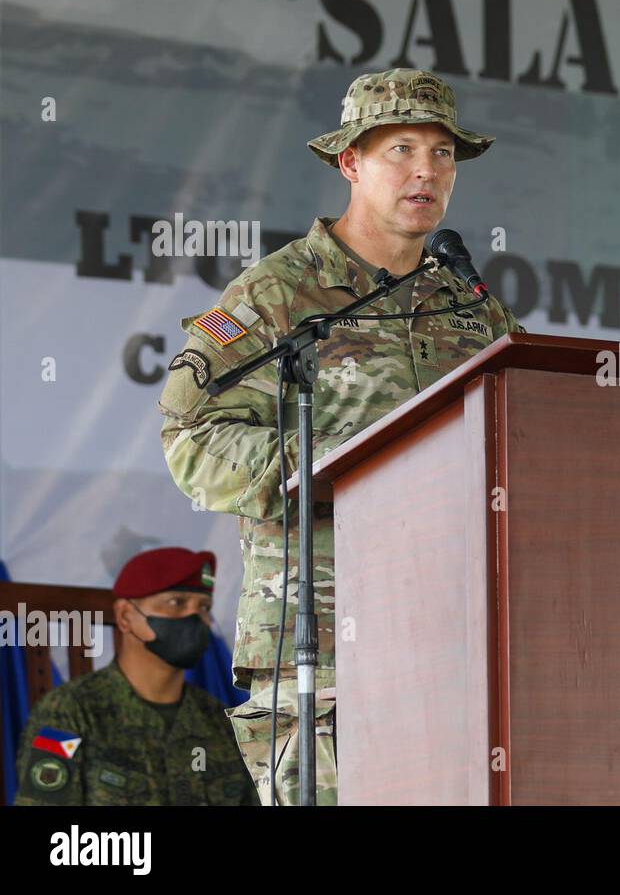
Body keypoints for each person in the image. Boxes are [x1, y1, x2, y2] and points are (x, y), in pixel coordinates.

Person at [157, 68, 525, 805]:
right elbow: (191, 437)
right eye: (402, 149)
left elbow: (530, 426)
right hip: (322, 643)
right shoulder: (276, 295)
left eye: (444, 153)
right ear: (349, 162)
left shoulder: (472, 307)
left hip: (454, 630)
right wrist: (329, 465)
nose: (427, 171)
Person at [14, 547, 256, 805]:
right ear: (126, 616)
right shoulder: (69, 712)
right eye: (176, 603)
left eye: (204, 607)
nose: (196, 618)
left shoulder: (222, 722)